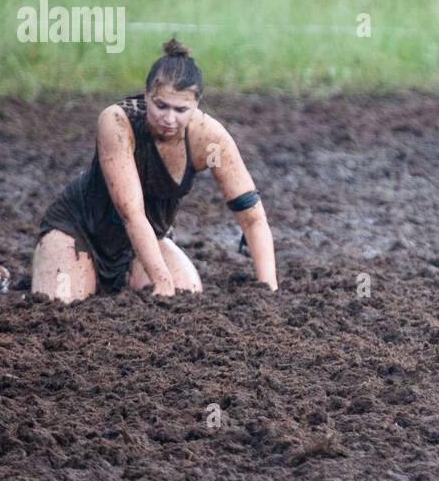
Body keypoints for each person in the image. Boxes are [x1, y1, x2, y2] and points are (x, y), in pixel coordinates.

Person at [32, 38, 278, 302]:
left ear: (197, 104)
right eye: (161, 105)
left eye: (181, 109)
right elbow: (131, 213)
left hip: (142, 244)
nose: (169, 119)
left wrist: (268, 289)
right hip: (82, 230)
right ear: (146, 94)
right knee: (60, 302)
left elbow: (252, 217)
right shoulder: (117, 122)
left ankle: (125, 277)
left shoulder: (209, 141)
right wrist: (162, 282)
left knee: (186, 296)